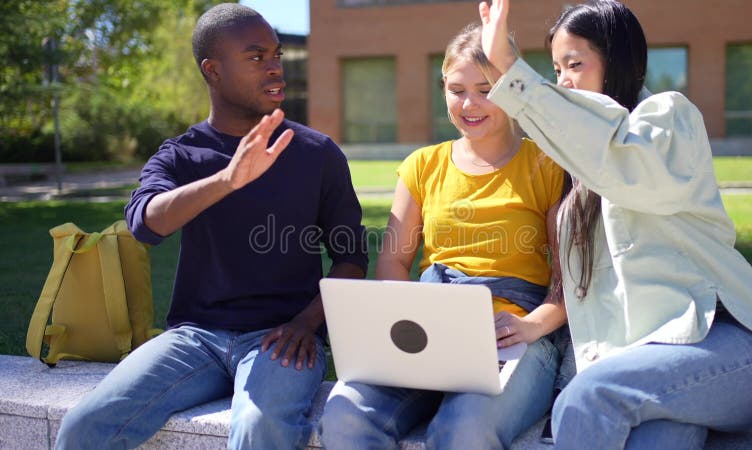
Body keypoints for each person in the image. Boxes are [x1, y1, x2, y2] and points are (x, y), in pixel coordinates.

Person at [478, 0, 752, 448]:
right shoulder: (580, 174)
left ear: (618, 61)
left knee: (586, 400)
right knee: (657, 436)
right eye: (556, 68)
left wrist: (510, 68)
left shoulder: (667, 120)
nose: (564, 80)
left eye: (575, 64)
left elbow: (621, 164)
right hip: (656, 367)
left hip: (736, 348)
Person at [55, 4, 368, 449]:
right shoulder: (181, 155)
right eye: (257, 57)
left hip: (281, 338)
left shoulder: (318, 153)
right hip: (194, 338)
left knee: (259, 426)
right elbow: (145, 223)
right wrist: (228, 180)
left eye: (277, 55)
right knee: (85, 425)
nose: (275, 68)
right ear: (213, 70)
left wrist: (307, 324)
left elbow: (352, 258)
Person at [320, 23, 569, 449]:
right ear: (444, 90)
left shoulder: (546, 165)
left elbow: (570, 281)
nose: (470, 103)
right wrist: (405, 326)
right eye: (457, 90)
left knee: (463, 430)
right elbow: (394, 263)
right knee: (345, 415)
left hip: (512, 337)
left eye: (486, 89)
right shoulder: (423, 165)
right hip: (428, 330)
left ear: (511, 87)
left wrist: (530, 327)